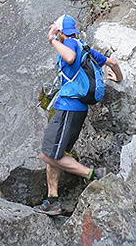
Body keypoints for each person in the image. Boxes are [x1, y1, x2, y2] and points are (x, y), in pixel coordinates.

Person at [35, 13, 123, 216]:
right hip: (76, 110)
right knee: (55, 154)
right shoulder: (86, 48)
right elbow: (113, 62)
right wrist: (117, 78)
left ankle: (93, 174)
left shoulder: (72, 45)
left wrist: (52, 40)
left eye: (56, 30)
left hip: (69, 109)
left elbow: (69, 57)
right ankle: (52, 201)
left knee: (46, 155)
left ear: (61, 33)